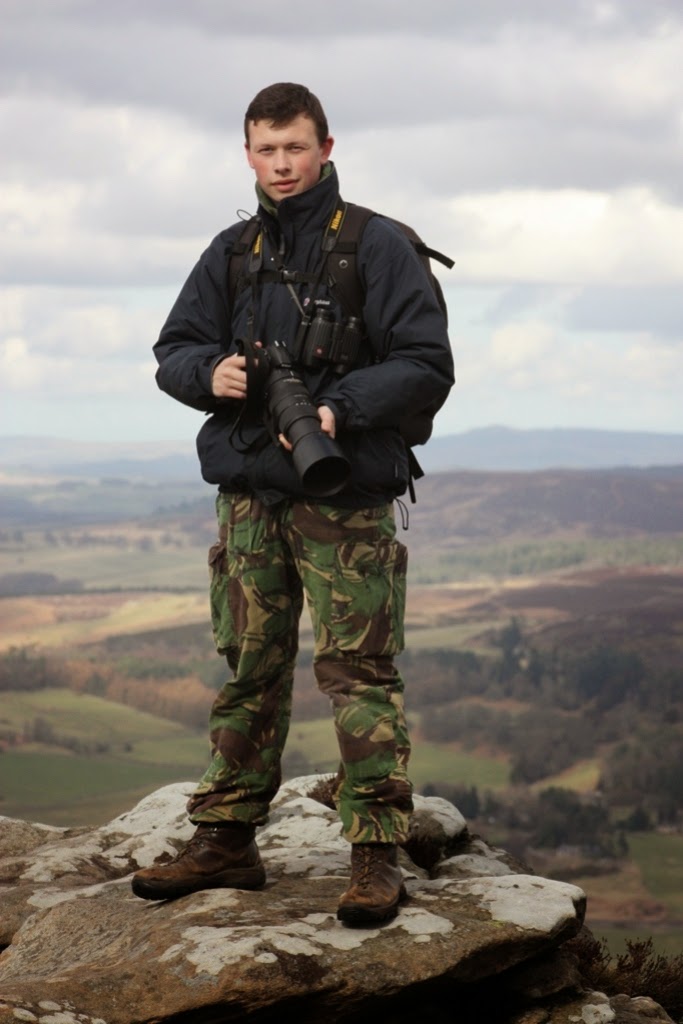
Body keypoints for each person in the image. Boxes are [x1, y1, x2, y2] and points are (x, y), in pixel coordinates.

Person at [131, 83, 454, 924]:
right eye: (265, 150)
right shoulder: (231, 252)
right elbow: (173, 349)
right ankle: (227, 840)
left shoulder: (378, 246)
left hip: (342, 496)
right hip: (248, 495)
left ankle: (376, 852)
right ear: (247, 154)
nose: (280, 165)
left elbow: (425, 363)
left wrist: (337, 409)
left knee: (358, 674)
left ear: (325, 146)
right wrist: (211, 375)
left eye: (295, 148)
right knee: (251, 665)